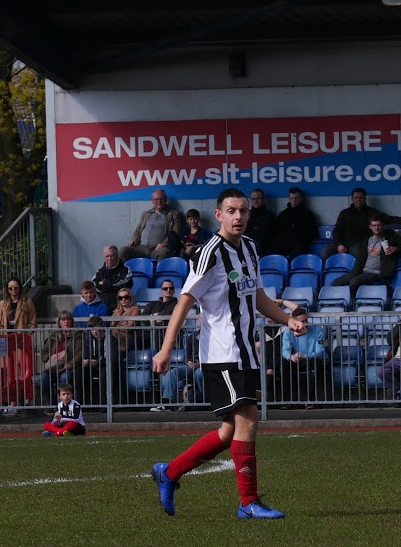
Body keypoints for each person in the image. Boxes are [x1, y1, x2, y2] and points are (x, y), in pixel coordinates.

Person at [151, 186, 306, 521]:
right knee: (248, 418)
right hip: (221, 352)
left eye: (244, 210)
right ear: (219, 215)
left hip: (245, 352)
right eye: (232, 211)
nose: (239, 217)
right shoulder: (210, 253)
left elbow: (259, 297)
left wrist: (288, 319)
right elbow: (185, 301)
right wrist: (166, 348)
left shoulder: (250, 248)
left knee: (229, 430)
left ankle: (170, 471)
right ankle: (248, 502)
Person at [274, 303, 326, 403]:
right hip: (296, 358)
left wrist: (306, 356)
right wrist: (291, 357)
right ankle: (288, 401)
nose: (304, 323)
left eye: (305, 320)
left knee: (316, 364)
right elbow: (285, 350)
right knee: (284, 365)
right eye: (301, 321)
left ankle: (310, 401)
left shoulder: (318, 329)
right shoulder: (288, 331)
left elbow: (320, 351)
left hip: (311, 358)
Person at [333, 216, 401, 289]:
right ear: (370, 227)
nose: (376, 228)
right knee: (336, 283)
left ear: (382, 226)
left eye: (379, 225)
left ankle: (353, 300)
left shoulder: (390, 238)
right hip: (362, 271)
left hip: (377, 273)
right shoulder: (366, 240)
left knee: (354, 282)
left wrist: (396, 248)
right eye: (374, 225)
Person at [123, 188, 183, 261]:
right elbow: (138, 230)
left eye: (161, 199)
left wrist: (164, 244)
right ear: (152, 200)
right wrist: (133, 240)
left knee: (164, 252)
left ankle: (158, 272)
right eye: (156, 199)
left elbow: (176, 233)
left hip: (158, 249)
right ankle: (124, 272)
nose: (159, 201)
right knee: (123, 251)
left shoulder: (174, 214)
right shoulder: (146, 214)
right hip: (141, 248)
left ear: (166, 199)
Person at [268, 186, 319, 258]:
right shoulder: (283, 214)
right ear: (289, 199)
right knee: (270, 251)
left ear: (301, 198)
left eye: (296, 198)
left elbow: (312, 233)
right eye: (292, 198)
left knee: (298, 250)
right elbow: (275, 231)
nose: (294, 201)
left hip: (299, 244)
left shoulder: (308, 214)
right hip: (283, 243)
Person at [91, 246, 132, 311]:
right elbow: (93, 285)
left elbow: (123, 286)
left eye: (112, 256)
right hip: (102, 304)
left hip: (119, 305)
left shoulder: (126, 269)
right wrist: (110, 285)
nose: (109, 259)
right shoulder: (100, 271)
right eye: (107, 256)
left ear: (117, 256)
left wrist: (104, 283)